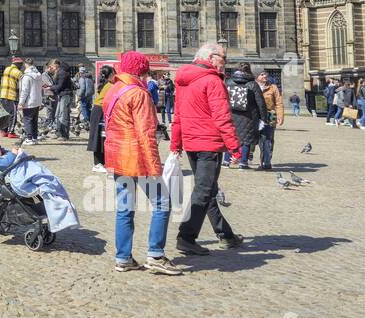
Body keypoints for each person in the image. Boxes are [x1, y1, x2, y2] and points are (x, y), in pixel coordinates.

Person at [99, 50, 180, 274]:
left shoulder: (113, 90)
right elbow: (146, 134)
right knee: (162, 203)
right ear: (141, 71)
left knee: (125, 208)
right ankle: (156, 254)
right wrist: (155, 165)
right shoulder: (139, 94)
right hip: (137, 158)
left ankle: (123, 257)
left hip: (117, 155)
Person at [170, 42, 244, 256]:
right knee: (204, 191)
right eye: (223, 58)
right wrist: (234, 148)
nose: (225, 62)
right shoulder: (212, 81)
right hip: (208, 144)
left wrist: (176, 143)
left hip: (192, 143)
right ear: (211, 57)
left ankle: (226, 235)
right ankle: (186, 237)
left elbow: (178, 115)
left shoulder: (184, 80)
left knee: (208, 190)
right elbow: (222, 117)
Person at [0, 139, 81, 237]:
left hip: (25, 170)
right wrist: (14, 154)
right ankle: (58, 210)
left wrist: (17, 153)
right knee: (45, 188)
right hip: (20, 180)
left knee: (48, 186)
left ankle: (58, 209)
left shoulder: (5, 154)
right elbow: (6, 162)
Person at [222, 62, 266, 169]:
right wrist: (263, 118)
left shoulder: (228, 82)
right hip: (249, 116)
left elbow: (223, 98)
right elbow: (260, 103)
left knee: (231, 137)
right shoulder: (252, 84)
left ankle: (226, 161)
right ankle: (243, 162)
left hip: (232, 114)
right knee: (246, 140)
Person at [87, 65, 115, 173]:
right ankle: (97, 164)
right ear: (111, 75)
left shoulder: (105, 84)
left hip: (99, 110)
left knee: (102, 137)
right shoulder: (110, 86)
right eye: (114, 74)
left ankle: (102, 162)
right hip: (99, 111)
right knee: (98, 137)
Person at [256, 71, 284, 170]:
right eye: (262, 74)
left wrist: (280, 115)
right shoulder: (253, 86)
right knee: (256, 139)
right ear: (256, 76)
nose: (265, 76)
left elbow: (279, 103)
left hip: (270, 116)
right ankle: (245, 158)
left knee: (268, 139)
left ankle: (266, 161)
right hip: (256, 116)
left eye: (266, 74)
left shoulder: (273, 87)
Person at [17, 58, 43, 145]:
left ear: (25, 64)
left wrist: (21, 102)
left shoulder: (26, 76)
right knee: (34, 120)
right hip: (37, 100)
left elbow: (24, 91)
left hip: (29, 101)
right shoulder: (38, 74)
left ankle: (29, 138)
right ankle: (35, 138)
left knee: (27, 120)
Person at [0, 56, 22, 139]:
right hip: (11, 95)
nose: (21, 66)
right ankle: (11, 132)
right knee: (13, 114)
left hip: (3, 95)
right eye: (21, 64)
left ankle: (3, 131)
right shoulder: (18, 72)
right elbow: (22, 85)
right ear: (17, 64)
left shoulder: (6, 69)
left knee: (6, 114)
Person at [50, 61, 74, 140]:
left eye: (52, 66)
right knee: (58, 115)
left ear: (56, 65)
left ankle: (64, 135)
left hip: (65, 95)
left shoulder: (62, 73)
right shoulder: (60, 72)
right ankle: (58, 133)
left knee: (63, 115)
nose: (51, 68)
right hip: (61, 95)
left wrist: (50, 87)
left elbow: (60, 86)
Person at [76, 65, 95, 132]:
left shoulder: (82, 78)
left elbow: (83, 88)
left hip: (84, 96)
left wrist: (79, 95)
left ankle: (87, 122)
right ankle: (91, 121)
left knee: (84, 109)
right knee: (88, 109)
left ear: (80, 72)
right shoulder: (90, 78)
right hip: (90, 95)